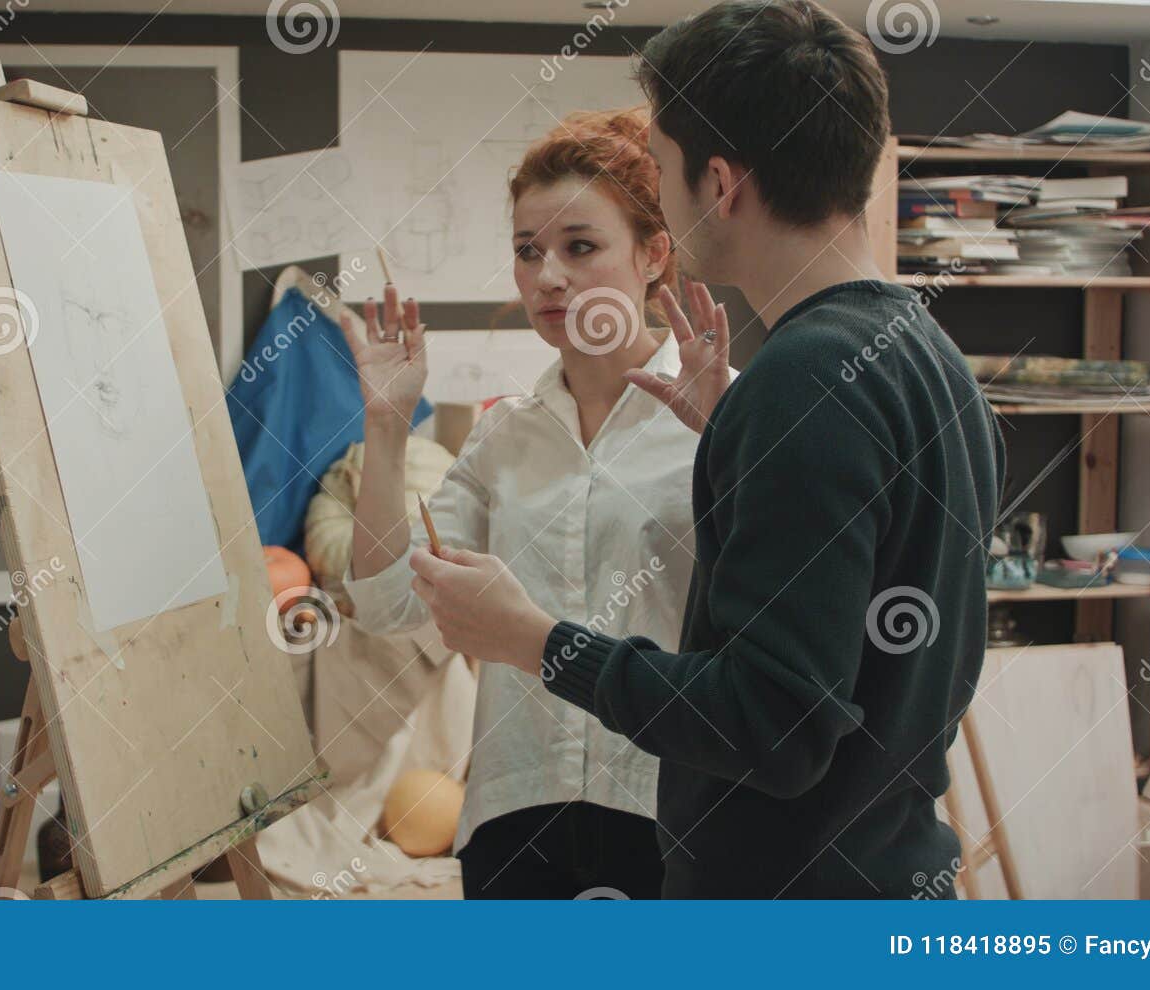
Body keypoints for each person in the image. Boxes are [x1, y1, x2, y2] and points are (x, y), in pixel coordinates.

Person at [406, 0, 1007, 898]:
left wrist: (537, 642)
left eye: (664, 166)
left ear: (721, 183)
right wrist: (739, 442)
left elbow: (772, 725)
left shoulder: (804, 382)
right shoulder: (925, 357)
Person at [339, 108, 730, 899]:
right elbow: (384, 604)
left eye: (580, 246)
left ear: (653, 255)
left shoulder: (725, 417)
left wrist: (732, 438)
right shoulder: (502, 437)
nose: (548, 274)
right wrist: (385, 426)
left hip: (671, 812)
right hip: (517, 819)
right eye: (528, 252)